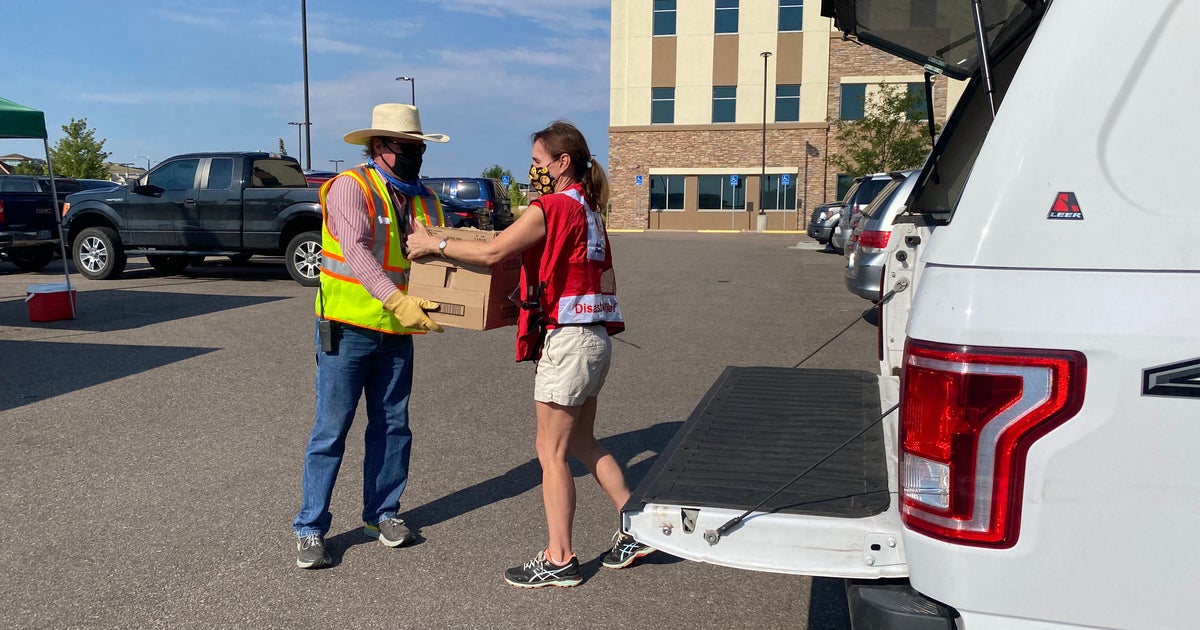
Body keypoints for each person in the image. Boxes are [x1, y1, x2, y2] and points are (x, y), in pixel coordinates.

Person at [406, 120, 654, 588]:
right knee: (581, 441)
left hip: (570, 340)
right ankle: (636, 525)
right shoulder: (587, 207)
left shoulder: (554, 206)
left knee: (550, 450)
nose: (533, 171)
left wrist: (432, 243)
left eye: (539, 163)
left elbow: (494, 251)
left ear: (563, 163)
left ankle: (559, 557)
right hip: (595, 336)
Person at [292, 103, 448, 570]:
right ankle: (310, 528)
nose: (416, 155)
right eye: (408, 147)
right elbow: (357, 253)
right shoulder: (349, 188)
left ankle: (382, 515)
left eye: (420, 147)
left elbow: (436, 254)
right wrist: (397, 299)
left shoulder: (423, 197)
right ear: (380, 146)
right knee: (330, 431)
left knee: (393, 427)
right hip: (347, 330)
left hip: (398, 332)